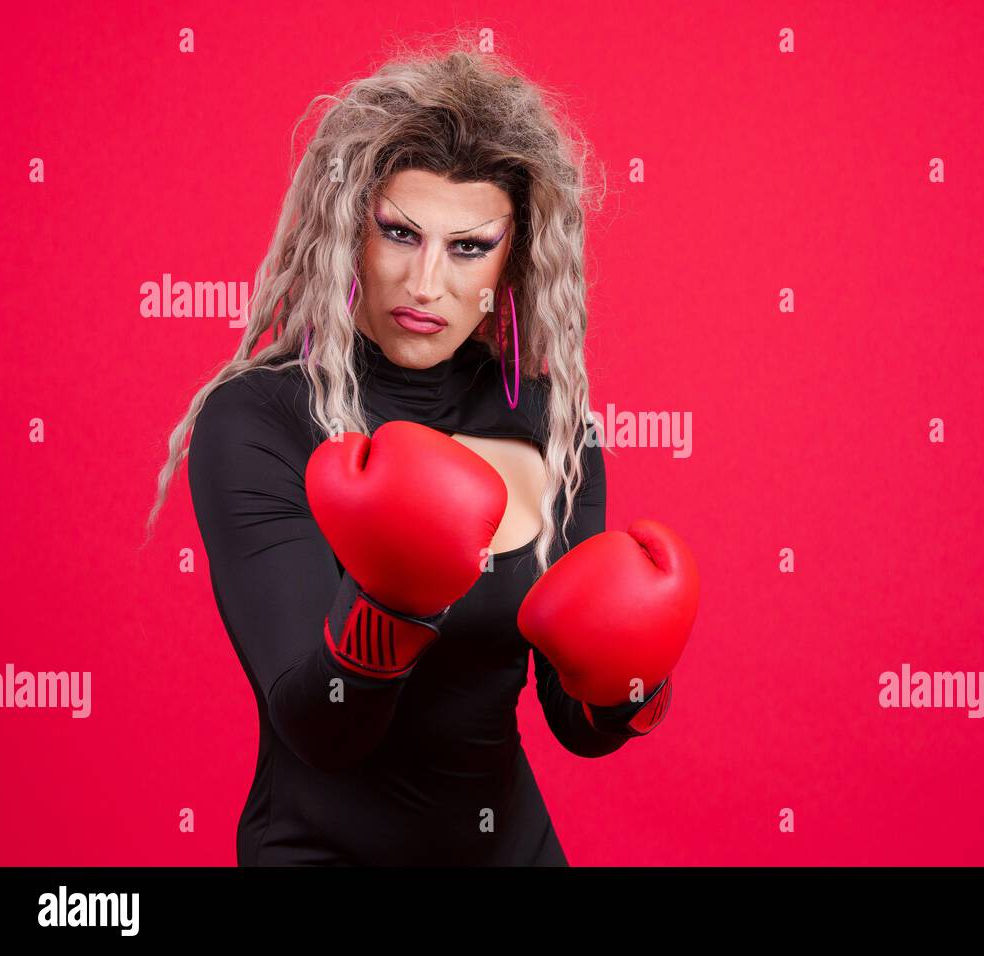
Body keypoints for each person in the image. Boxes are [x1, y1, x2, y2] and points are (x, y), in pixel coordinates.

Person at [143, 42, 678, 866]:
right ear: (346, 231)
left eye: (468, 246)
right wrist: (394, 602)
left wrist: (631, 680)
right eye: (398, 232)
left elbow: (577, 730)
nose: (426, 283)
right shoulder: (262, 419)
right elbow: (319, 727)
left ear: (512, 260)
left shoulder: (548, 420)